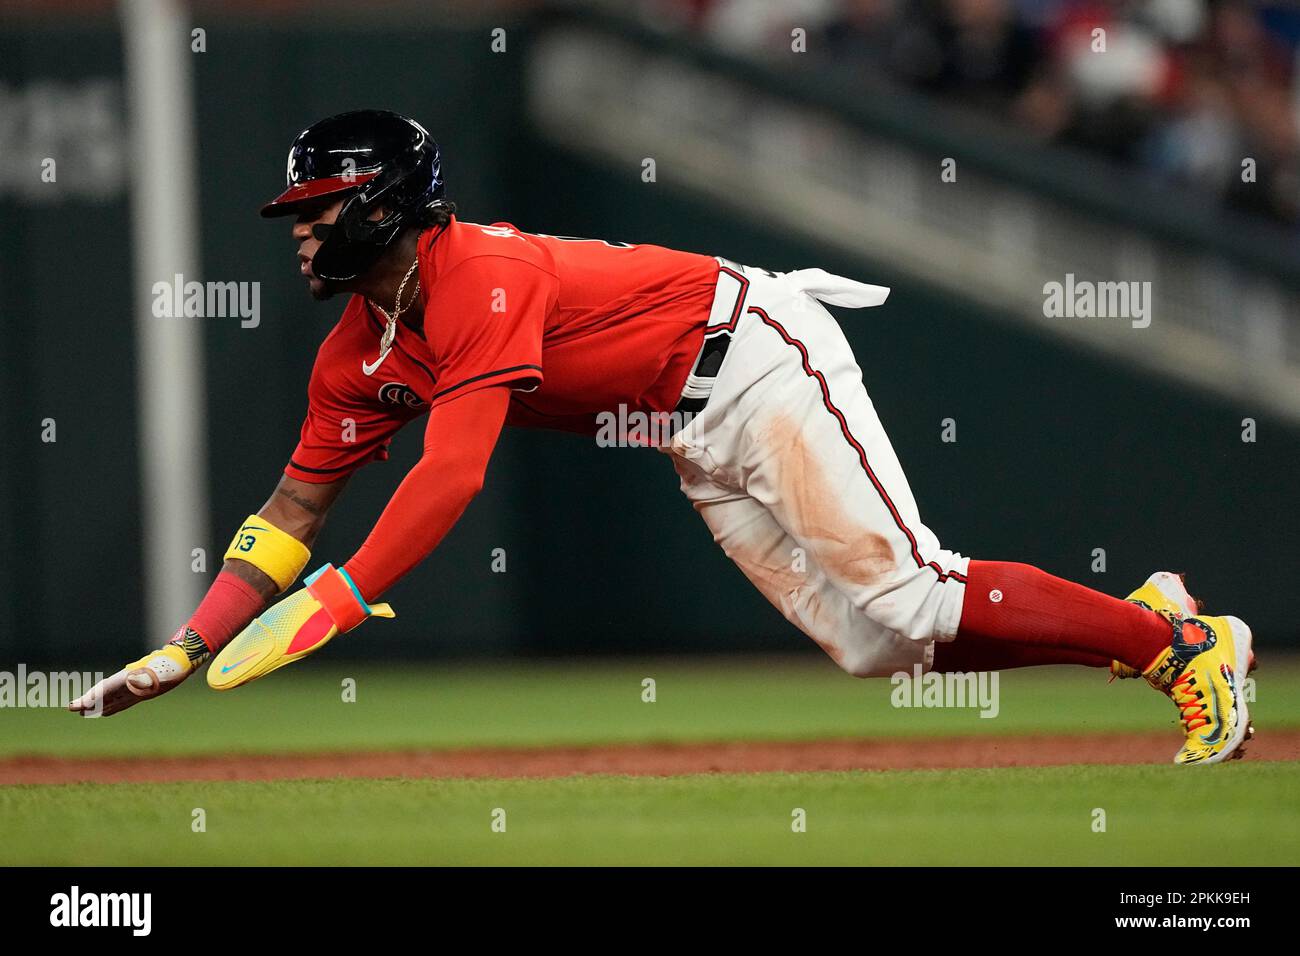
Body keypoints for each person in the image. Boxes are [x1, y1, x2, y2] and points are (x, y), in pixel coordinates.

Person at [70, 110, 1253, 766]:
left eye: (312, 208)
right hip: (687, 422)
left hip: (756, 354)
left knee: (911, 587)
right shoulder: (357, 348)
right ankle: (1152, 621)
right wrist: (188, 643)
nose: (297, 230)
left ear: (377, 201)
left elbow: (454, 471)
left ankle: (1177, 651)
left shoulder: (473, 271)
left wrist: (337, 603)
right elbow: (290, 510)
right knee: (874, 644)